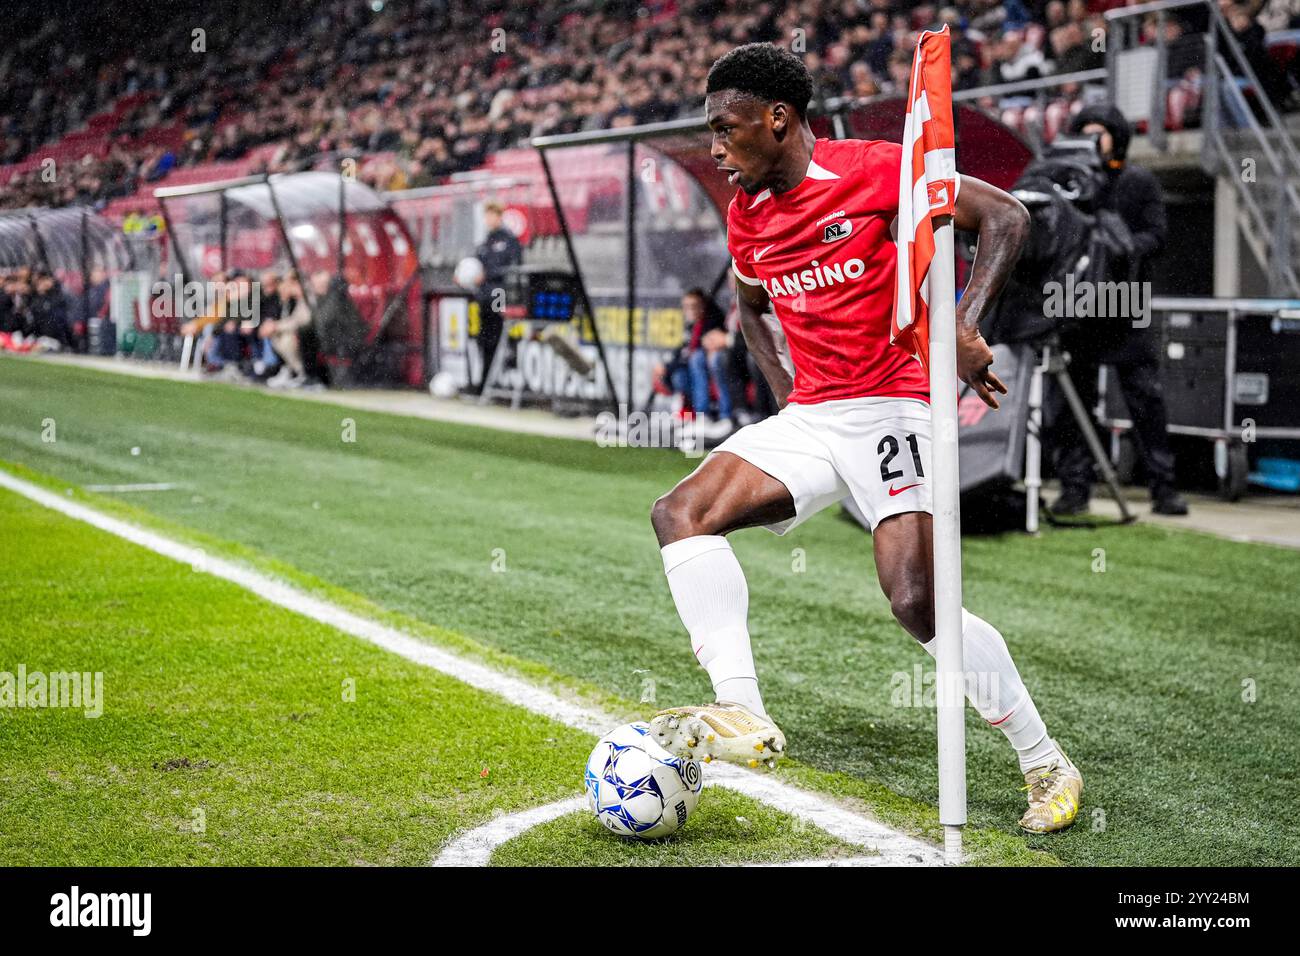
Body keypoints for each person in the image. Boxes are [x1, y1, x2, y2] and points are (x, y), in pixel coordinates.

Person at [647, 43, 1083, 834]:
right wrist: (787, 404)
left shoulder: (874, 169)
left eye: (725, 128)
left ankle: (1045, 759)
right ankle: (740, 710)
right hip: (816, 417)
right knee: (681, 513)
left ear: (778, 119)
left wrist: (962, 323)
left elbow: (1006, 218)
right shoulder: (745, 216)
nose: (715, 147)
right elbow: (749, 310)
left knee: (918, 602)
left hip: (897, 409)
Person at [1049, 105, 1189, 517]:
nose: (1095, 140)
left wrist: (1121, 249)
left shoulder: (1137, 181)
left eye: (1102, 132)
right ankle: (1075, 490)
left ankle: (1164, 489)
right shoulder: (1066, 182)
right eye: (1087, 132)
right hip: (1072, 304)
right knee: (1072, 402)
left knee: (1145, 399)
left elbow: (1157, 237)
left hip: (1125, 302)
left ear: (1118, 137)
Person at [656, 288, 735, 438]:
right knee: (679, 376)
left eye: (694, 306)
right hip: (694, 372)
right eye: (686, 306)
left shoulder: (713, 321)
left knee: (697, 359)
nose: (690, 310)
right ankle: (685, 413)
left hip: (717, 366)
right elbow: (682, 352)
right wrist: (665, 366)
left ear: (703, 306)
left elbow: (701, 348)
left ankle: (707, 416)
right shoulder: (691, 327)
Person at [472, 200, 522, 394]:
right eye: (487, 216)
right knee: (484, 337)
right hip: (485, 294)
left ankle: (495, 381)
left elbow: (510, 267)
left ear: (499, 217)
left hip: (500, 293)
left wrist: (488, 273)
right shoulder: (486, 241)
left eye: (492, 215)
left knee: (498, 333)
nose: (488, 219)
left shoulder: (508, 239)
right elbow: (476, 265)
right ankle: (485, 380)